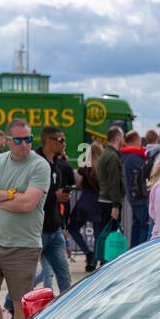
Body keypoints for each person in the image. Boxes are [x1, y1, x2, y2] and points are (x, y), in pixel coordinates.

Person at [0, 118, 49, 319]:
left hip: (24, 246)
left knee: (20, 304)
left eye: (28, 139)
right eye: (19, 140)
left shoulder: (40, 166)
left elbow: (27, 204)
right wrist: (9, 195)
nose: (25, 144)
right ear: (7, 140)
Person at [34, 126, 74, 292]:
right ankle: (10, 305)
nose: (64, 143)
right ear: (49, 142)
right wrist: (54, 196)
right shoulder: (35, 163)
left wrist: (63, 226)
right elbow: (34, 196)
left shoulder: (57, 164)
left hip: (55, 228)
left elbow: (57, 201)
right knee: (26, 273)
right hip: (39, 229)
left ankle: (70, 305)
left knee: (63, 272)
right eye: (61, 140)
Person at [68, 141, 102, 272]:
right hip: (99, 201)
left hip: (85, 200)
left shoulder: (85, 166)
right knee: (98, 233)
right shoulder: (103, 166)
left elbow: (78, 183)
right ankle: (95, 260)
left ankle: (88, 253)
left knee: (73, 227)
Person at [119, 130, 152, 246]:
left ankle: (134, 251)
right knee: (144, 226)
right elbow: (146, 173)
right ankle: (141, 252)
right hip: (139, 196)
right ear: (136, 141)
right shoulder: (134, 158)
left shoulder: (125, 156)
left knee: (137, 225)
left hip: (133, 196)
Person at [96, 125, 125, 233]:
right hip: (109, 203)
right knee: (110, 237)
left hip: (105, 200)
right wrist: (115, 206)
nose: (123, 139)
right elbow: (114, 182)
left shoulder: (106, 153)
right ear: (117, 137)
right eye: (122, 136)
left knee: (105, 234)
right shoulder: (112, 156)